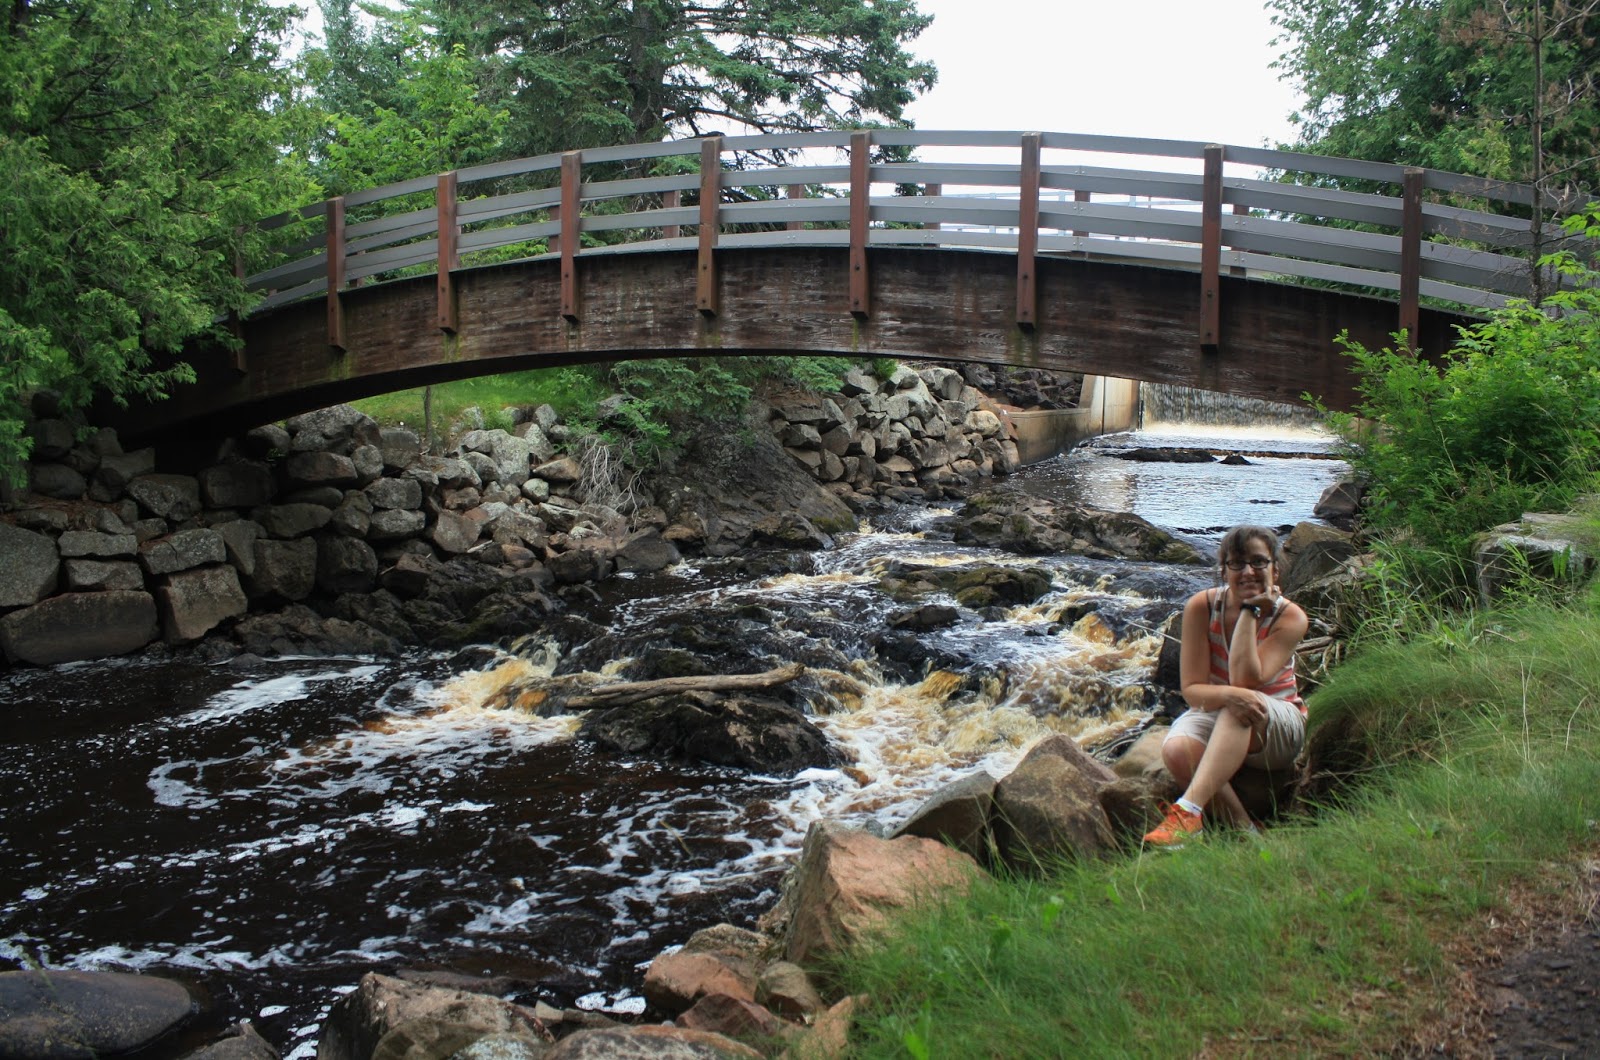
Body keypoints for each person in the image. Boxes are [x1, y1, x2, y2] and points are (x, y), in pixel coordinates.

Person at [1142, 524, 1308, 846]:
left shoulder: (1292, 618)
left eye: (1259, 562)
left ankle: (1187, 810)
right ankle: (1246, 833)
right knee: (1176, 749)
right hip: (1224, 710)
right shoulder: (1201, 607)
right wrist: (1231, 695)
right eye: (1237, 563)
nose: (1248, 571)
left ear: (1275, 568)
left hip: (1278, 724)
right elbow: (1192, 691)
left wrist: (1249, 612)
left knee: (1241, 704)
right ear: (1224, 570)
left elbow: (1246, 679)